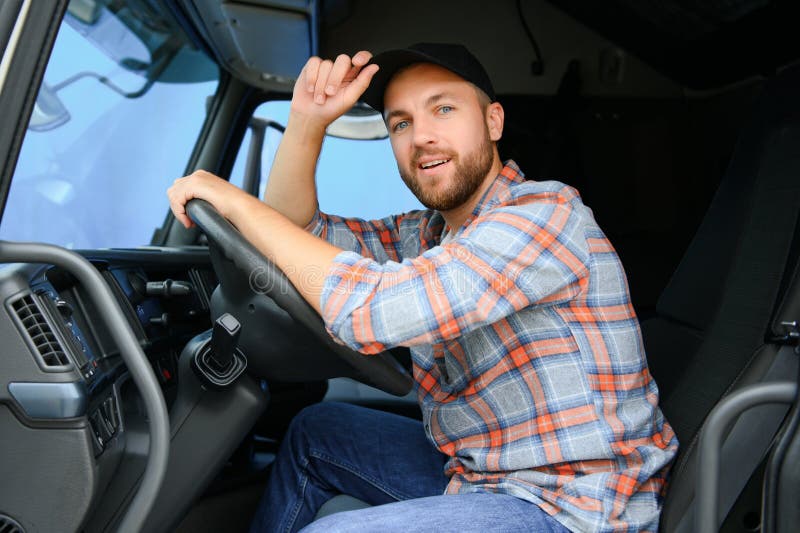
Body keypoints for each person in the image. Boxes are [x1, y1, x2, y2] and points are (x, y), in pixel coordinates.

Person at [168, 43, 678, 533]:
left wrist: (230, 199)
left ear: (493, 122)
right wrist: (306, 121)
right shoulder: (431, 234)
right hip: (481, 479)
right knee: (316, 433)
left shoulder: (545, 214)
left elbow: (379, 307)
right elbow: (291, 238)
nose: (422, 137)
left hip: (571, 507)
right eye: (401, 123)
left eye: (444, 110)